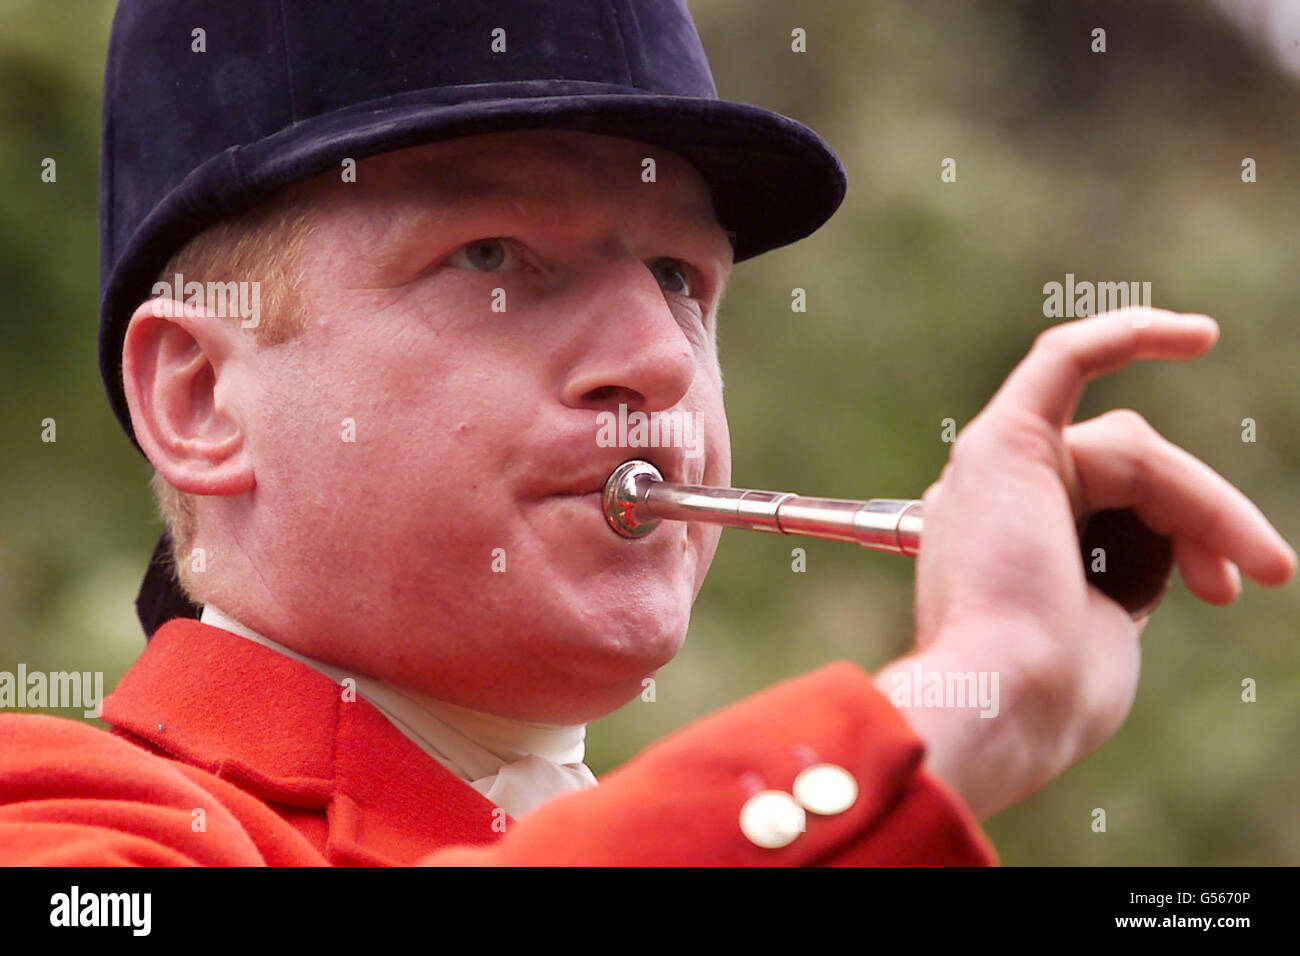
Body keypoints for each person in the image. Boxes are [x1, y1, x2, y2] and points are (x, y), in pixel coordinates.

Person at [0, 0, 1293, 866]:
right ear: (201, 400)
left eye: (682, 277)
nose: (660, 360)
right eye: (496, 257)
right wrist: (966, 702)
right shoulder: (55, 820)